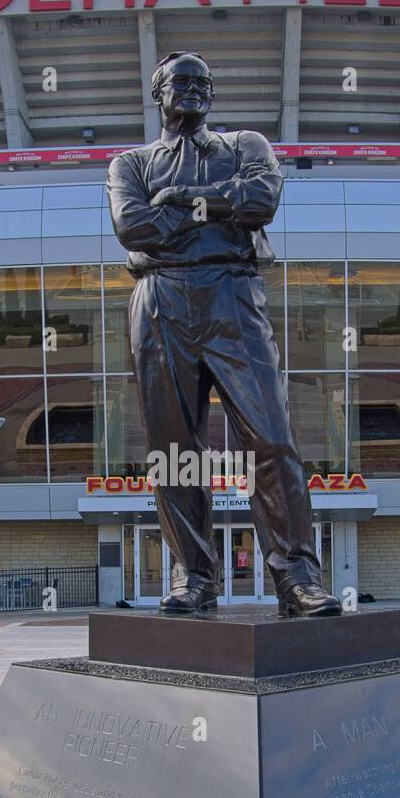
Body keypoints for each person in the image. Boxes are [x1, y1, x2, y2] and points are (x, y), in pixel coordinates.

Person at [106, 51, 341, 617]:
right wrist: (215, 214)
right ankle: (194, 577)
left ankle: (296, 579)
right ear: (157, 94)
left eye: (202, 83)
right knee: (173, 451)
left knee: (272, 436)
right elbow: (131, 228)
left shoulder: (246, 146)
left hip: (233, 297)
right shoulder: (130, 163)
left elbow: (262, 202)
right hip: (160, 302)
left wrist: (184, 203)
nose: (191, 91)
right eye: (179, 82)